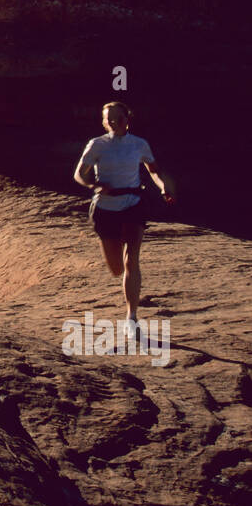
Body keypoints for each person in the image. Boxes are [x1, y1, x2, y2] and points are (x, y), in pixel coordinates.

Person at [74, 102, 176, 335]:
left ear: (127, 119)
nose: (113, 122)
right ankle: (126, 294)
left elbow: (153, 170)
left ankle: (131, 317)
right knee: (116, 268)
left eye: (117, 118)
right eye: (109, 119)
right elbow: (79, 173)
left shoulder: (139, 145)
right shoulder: (96, 145)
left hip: (133, 203)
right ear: (104, 122)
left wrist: (162, 187)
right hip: (106, 209)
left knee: (132, 260)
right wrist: (94, 185)